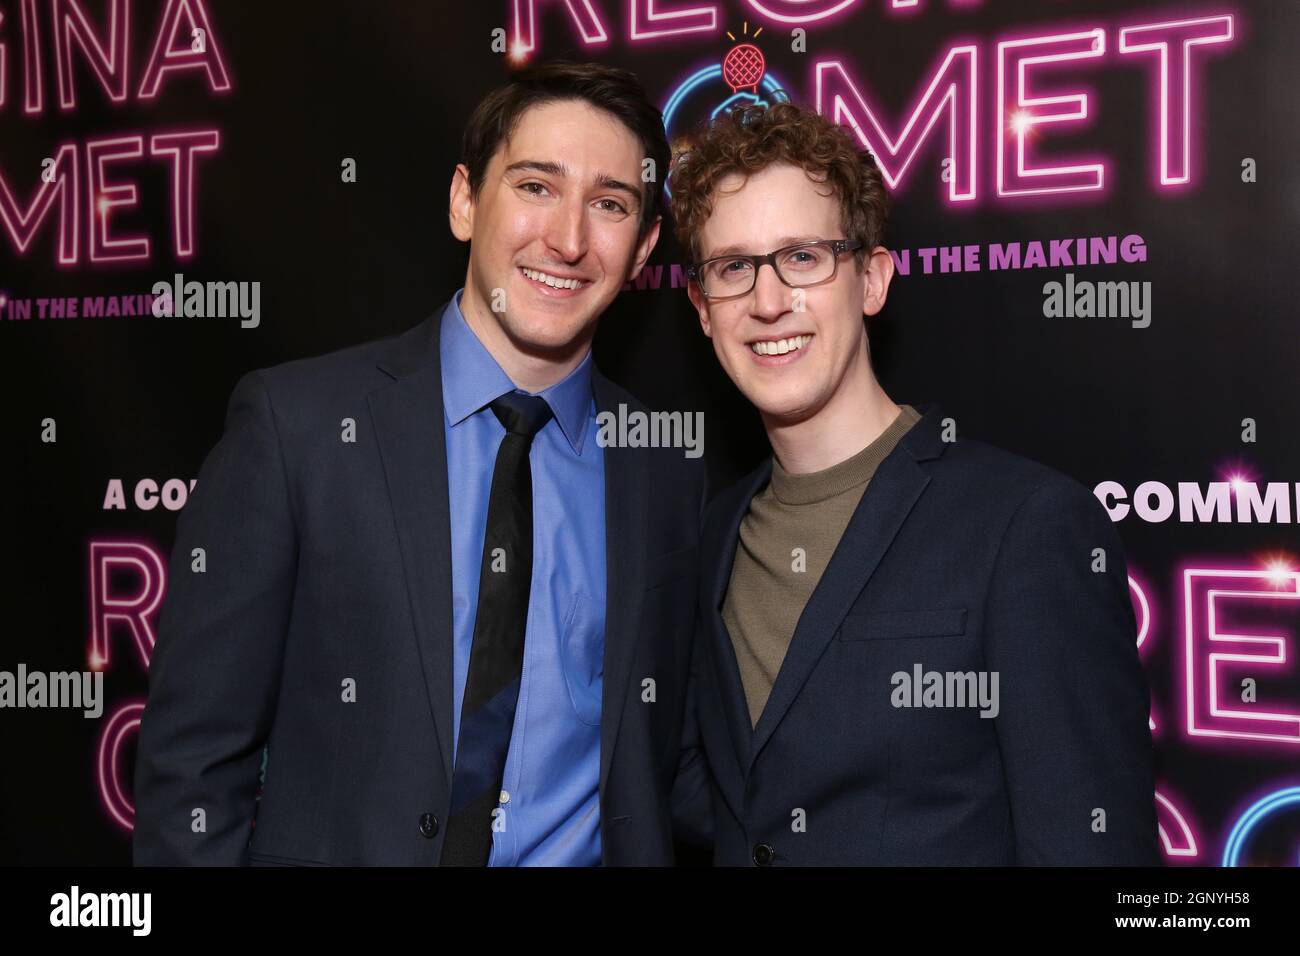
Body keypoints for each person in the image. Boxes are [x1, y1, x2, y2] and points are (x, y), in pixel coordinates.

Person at [133, 61, 709, 867]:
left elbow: (673, 754)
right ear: (465, 201)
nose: (569, 239)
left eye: (610, 204)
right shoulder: (297, 429)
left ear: (645, 244)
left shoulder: (664, 469)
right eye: (536, 186)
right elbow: (192, 766)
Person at [668, 102, 1160, 865]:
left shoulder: (1026, 527)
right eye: (734, 267)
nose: (768, 302)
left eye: (803, 257)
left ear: (872, 279)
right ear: (702, 307)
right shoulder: (711, 536)